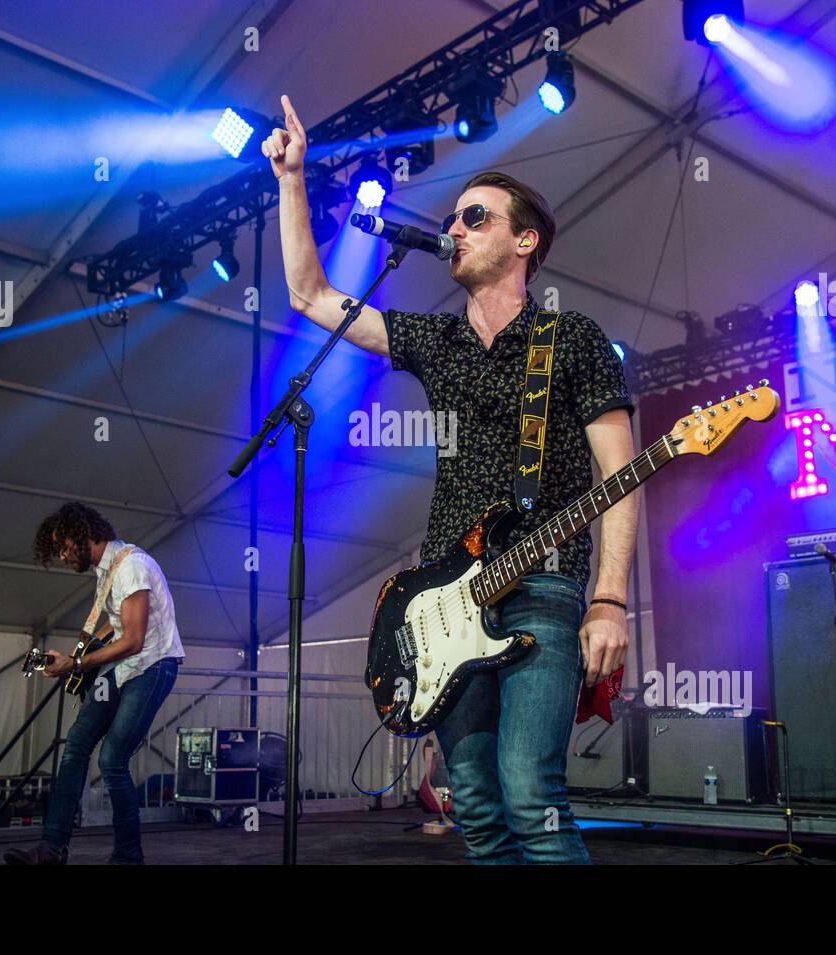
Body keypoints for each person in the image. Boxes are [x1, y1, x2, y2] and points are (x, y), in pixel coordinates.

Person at [263, 95, 639, 863]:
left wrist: (610, 598)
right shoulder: (438, 341)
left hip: (544, 587)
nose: (455, 229)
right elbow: (311, 296)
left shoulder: (572, 339)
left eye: (477, 217)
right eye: (456, 219)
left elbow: (622, 476)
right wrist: (292, 182)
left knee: (531, 793)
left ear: (524, 240)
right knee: (474, 801)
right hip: (445, 596)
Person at [4, 502, 184, 865]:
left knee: (112, 760)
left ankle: (127, 858)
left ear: (82, 534)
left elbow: (133, 639)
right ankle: (52, 850)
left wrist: (79, 663)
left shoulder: (132, 566)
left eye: (64, 545)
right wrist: (79, 654)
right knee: (75, 748)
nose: (62, 555)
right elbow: (116, 626)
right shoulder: (108, 570)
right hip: (123, 668)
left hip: (151, 666)